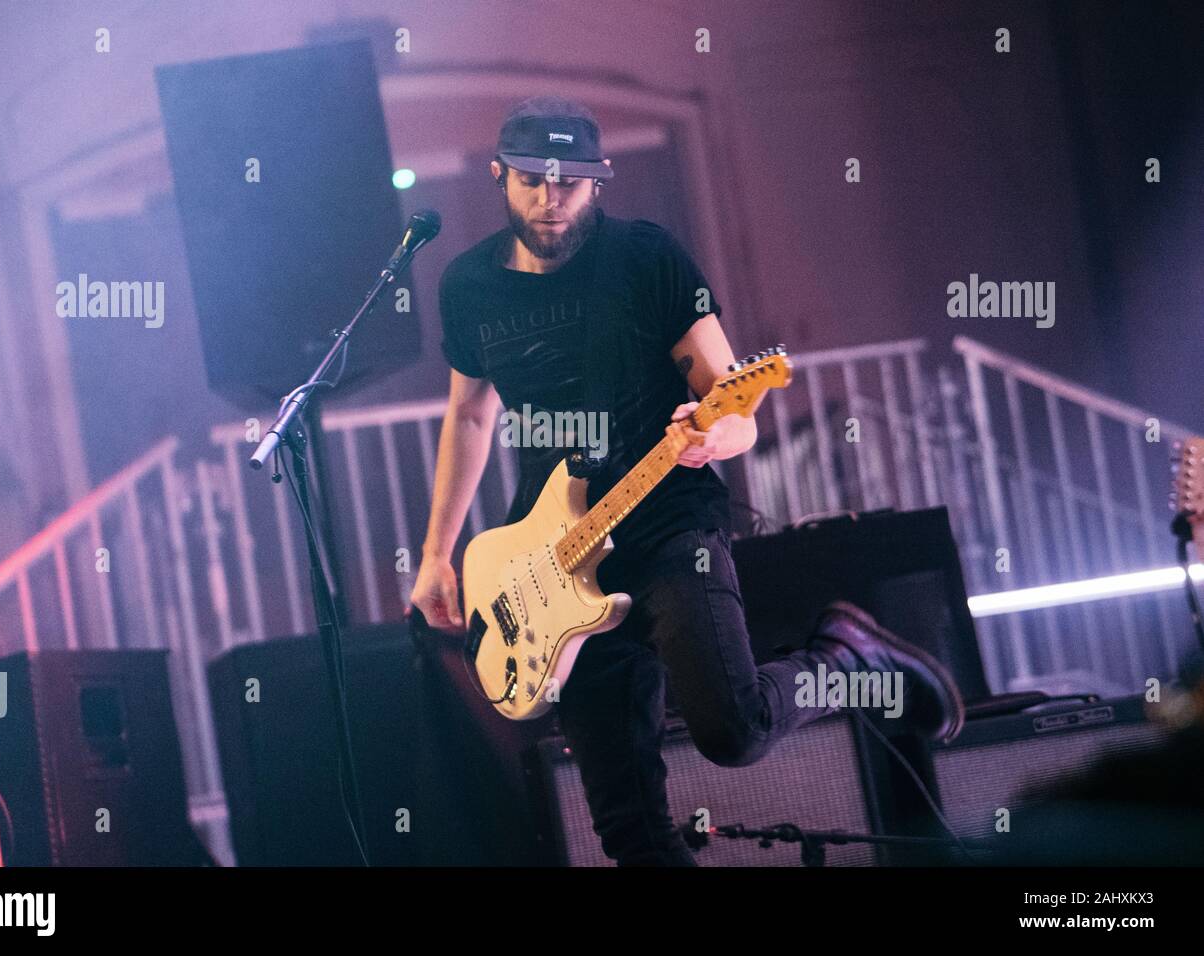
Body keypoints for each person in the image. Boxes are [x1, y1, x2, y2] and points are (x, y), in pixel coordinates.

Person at [410, 95, 964, 866]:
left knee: (732, 731)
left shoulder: (645, 258)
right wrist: (438, 554)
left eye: (571, 181)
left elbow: (736, 405)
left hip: (670, 522)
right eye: (533, 178)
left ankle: (844, 659)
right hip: (557, 548)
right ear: (500, 175)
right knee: (627, 826)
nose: (551, 197)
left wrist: (713, 437)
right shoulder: (468, 285)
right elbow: (468, 417)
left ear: (597, 182)